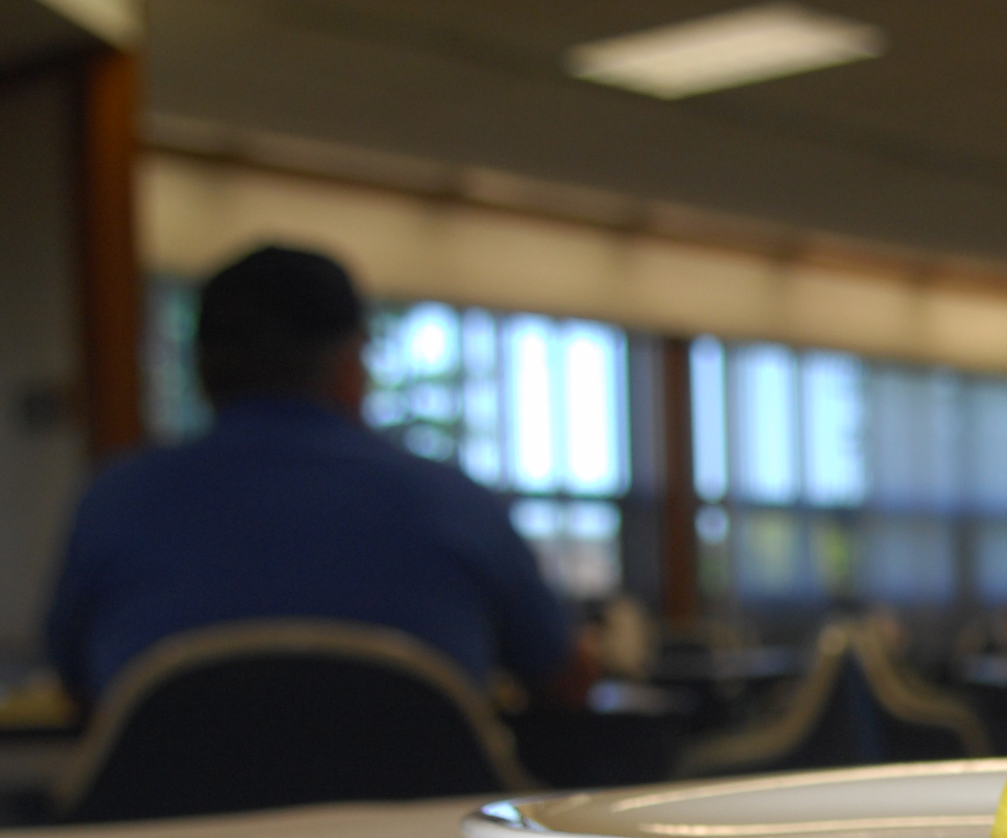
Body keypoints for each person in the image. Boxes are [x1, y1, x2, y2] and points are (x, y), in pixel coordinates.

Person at [46, 244, 596, 711]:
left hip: (158, 831)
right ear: (350, 363)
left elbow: (77, 684)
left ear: (201, 370)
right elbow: (560, 681)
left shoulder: (115, 501)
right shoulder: (453, 500)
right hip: (415, 832)